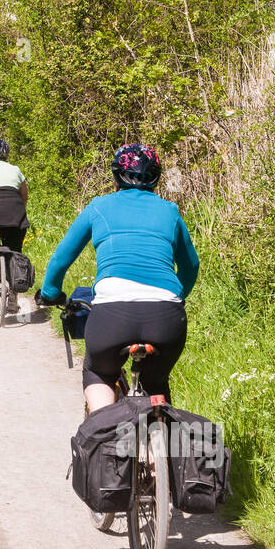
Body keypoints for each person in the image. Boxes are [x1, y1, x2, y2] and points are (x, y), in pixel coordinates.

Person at [35, 144, 199, 416]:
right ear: (157, 177)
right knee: (156, 382)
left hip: (113, 314)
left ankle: (101, 431)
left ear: (115, 176)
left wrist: (51, 293)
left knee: (98, 372)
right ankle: (160, 443)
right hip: (166, 316)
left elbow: (60, 259)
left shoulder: (99, 206)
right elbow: (190, 265)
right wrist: (174, 298)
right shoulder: (170, 211)